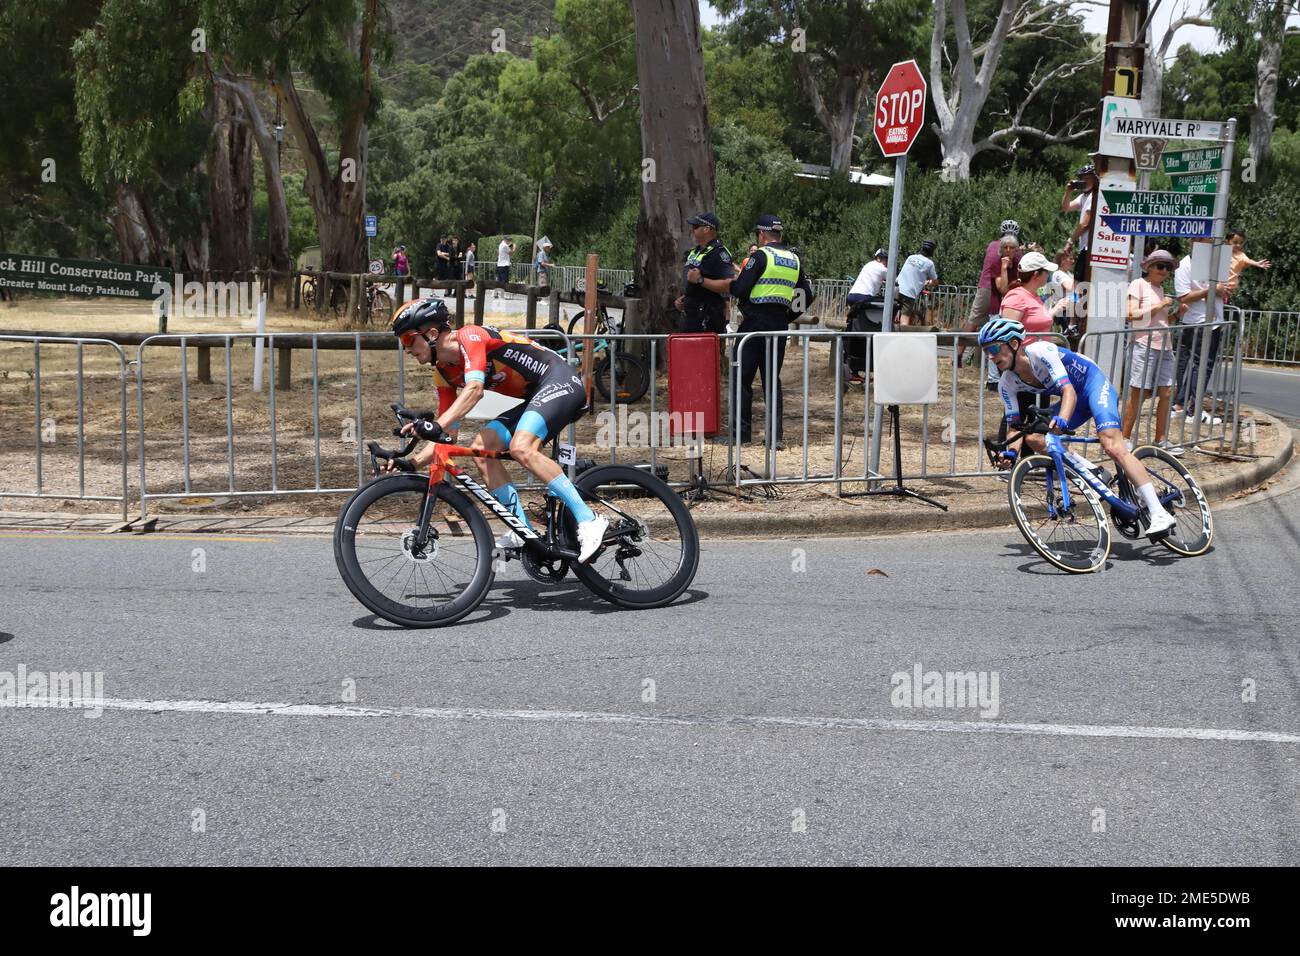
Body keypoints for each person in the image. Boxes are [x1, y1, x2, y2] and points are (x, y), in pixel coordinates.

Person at [385, 296, 608, 562]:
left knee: (521, 447)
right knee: (480, 449)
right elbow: (447, 434)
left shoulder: (471, 337)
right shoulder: (442, 371)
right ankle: (521, 529)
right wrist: (411, 462)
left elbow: (475, 390)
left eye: (408, 340)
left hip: (560, 380)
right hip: (537, 394)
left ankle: (589, 519)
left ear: (432, 333)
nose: (407, 349)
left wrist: (436, 424)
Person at [982, 317, 1177, 540]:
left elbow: (1068, 392)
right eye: (986, 351)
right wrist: (1010, 454)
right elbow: (1014, 426)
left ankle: (1159, 512)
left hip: (1092, 386)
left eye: (994, 348)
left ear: (1014, 344)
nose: (991, 356)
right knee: (1034, 438)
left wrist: (1063, 420)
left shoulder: (1041, 351)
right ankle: (1094, 472)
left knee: (1111, 445)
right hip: (1074, 400)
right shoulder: (1007, 383)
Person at [730, 214, 814, 448]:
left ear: (762, 235)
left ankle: (741, 435)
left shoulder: (761, 255)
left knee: (742, 377)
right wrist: (789, 316)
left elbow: (741, 288)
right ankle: (775, 436)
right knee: (771, 381)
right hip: (779, 324)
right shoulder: (794, 260)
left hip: (755, 323)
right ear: (780, 234)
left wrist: (731, 284)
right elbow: (808, 294)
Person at [1121, 249, 1184, 456]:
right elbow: (1132, 315)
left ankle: (1160, 439)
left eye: (1168, 267)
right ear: (1149, 266)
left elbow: (1161, 322)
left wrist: (1177, 314)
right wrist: (1160, 305)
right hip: (1144, 345)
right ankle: (1125, 437)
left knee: (1167, 392)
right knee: (1138, 393)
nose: (1164, 270)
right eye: (1160, 266)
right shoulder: (1138, 285)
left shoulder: (1161, 290)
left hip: (1164, 346)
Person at [1173, 238, 1229, 424]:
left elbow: (1219, 290)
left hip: (1212, 321)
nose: (1212, 242)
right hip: (1197, 322)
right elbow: (1183, 296)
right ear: (1194, 241)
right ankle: (1193, 411)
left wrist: (1223, 290)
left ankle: (1182, 405)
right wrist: (1211, 290)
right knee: (1200, 365)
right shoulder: (1185, 265)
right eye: (1208, 239)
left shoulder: (1211, 264)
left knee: (1199, 365)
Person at [998, 250, 1056, 416]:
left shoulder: (1033, 296)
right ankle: (1008, 442)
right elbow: (1006, 335)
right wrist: (1020, 362)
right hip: (1023, 367)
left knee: (1035, 419)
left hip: (1039, 367)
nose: (1049, 275)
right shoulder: (1017, 297)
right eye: (1047, 271)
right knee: (1019, 418)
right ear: (1037, 274)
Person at [955, 227, 1021, 367]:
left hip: (989, 285)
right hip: (990, 286)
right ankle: (963, 356)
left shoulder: (993, 245)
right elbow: (1003, 285)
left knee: (974, 321)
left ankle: (959, 355)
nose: (1009, 249)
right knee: (985, 322)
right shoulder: (1003, 251)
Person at [674, 211, 733, 335]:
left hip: (707, 318)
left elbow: (729, 284)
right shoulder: (695, 252)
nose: (692, 230)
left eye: (695, 227)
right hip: (691, 316)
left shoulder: (719, 253)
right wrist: (685, 300)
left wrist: (701, 280)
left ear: (707, 229)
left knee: (703, 354)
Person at [843, 248, 889, 383]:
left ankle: (853, 366)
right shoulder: (881, 268)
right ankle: (865, 360)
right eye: (885, 259)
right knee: (868, 328)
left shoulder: (868, 265)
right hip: (864, 297)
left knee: (855, 326)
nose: (887, 262)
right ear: (879, 258)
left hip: (853, 295)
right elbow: (895, 280)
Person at [1063, 162, 1099, 285]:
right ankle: (1077, 303)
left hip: (1090, 247)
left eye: (1088, 178)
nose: (1085, 181)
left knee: (1078, 283)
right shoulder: (1085, 196)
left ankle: (1075, 304)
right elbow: (1065, 207)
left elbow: (1085, 223)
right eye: (1082, 179)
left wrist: (1070, 241)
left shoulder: (1094, 196)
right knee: (1080, 282)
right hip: (1085, 246)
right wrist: (1068, 191)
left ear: (1095, 179)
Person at [895, 239, 939, 326]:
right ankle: (902, 338)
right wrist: (928, 283)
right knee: (905, 319)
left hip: (897, 288)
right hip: (909, 293)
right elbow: (935, 281)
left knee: (891, 313)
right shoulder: (929, 263)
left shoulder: (910, 257)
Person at [1226, 227, 1271, 292]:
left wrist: (1256, 263)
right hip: (1217, 283)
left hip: (1229, 287)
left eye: (1241, 243)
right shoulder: (1221, 251)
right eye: (1235, 242)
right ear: (1227, 241)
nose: (1238, 245)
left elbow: (1248, 260)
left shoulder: (1241, 255)